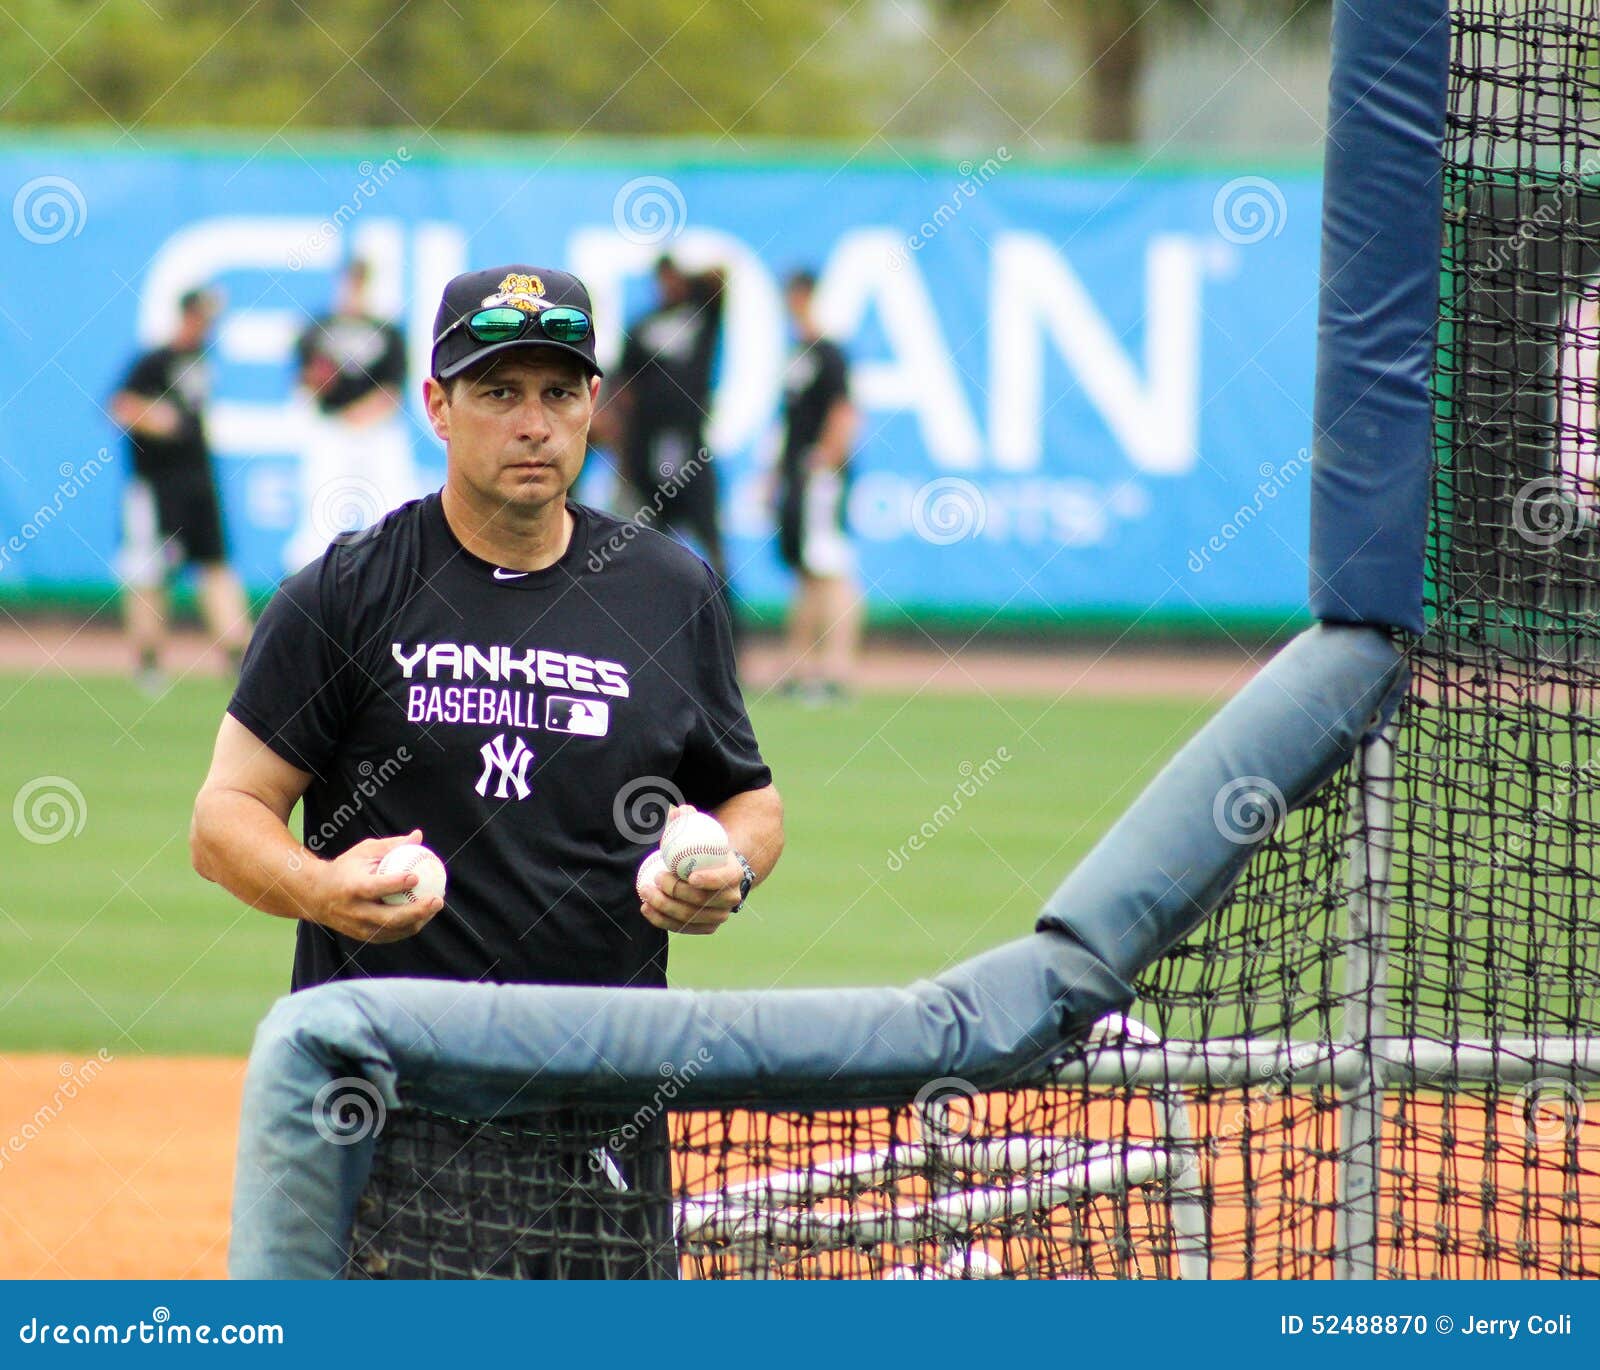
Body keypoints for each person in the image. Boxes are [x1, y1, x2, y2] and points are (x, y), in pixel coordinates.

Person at [192, 264, 783, 1278]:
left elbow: (748, 798)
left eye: (559, 392)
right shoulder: (344, 590)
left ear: (595, 403)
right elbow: (225, 816)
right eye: (497, 392)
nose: (533, 423)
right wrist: (323, 888)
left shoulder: (667, 589)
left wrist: (725, 867)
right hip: (397, 1108)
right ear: (437, 405)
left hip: (603, 1108)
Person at [110, 286, 251, 692]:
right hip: (157, 485)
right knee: (151, 572)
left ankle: (240, 657)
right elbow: (121, 405)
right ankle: (149, 659)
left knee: (215, 565)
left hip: (198, 483)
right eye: (202, 317)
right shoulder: (156, 360)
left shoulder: (203, 360)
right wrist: (159, 420)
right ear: (187, 315)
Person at [602, 256, 733, 618]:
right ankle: (656, 623)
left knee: (710, 539)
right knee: (649, 543)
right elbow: (622, 386)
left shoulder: (702, 312)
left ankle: (728, 625)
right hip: (647, 447)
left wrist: (689, 279)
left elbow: (720, 276)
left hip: (690, 448)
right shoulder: (643, 325)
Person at [283, 259, 416, 571]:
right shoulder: (318, 330)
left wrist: (362, 414)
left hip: (377, 430)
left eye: (361, 283)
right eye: (350, 282)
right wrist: (317, 384)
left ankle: (395, 576)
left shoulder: (387, 330)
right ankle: (310, 582)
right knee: (320, 510)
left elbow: (393, 388)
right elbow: (303, 381)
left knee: (392, 503)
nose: (354, 290)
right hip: (331, 429)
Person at [774, 270, 861, 702]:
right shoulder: (796, 353)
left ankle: (837, 670)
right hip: (799, 474)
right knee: (807, 570)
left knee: (830, 567)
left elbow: (845, 410)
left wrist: (826, 460)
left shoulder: (829, 353)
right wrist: (774, 473)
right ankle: (800, 669)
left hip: (820, 477)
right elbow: (787, 422)